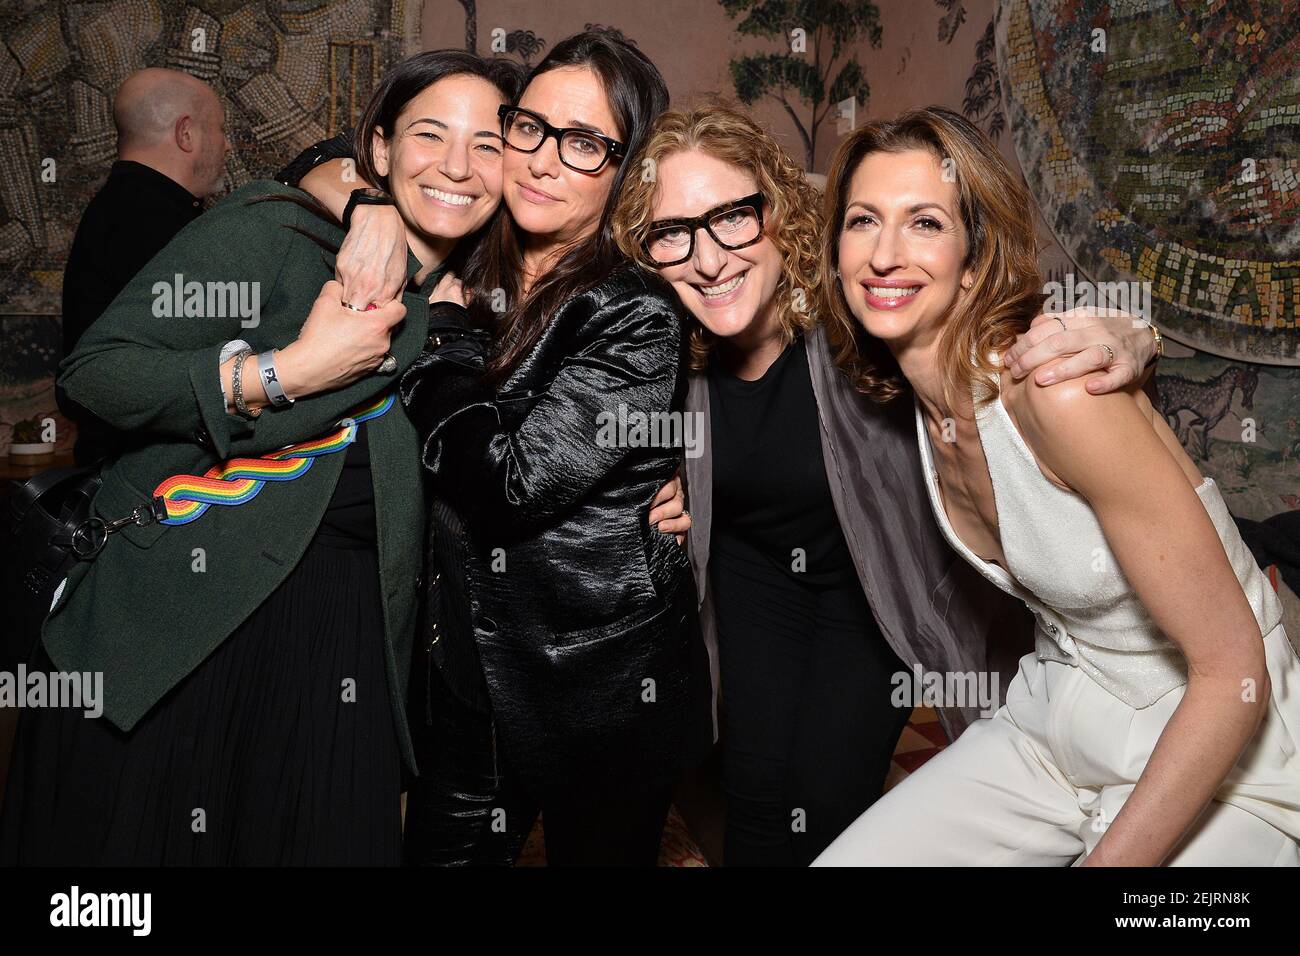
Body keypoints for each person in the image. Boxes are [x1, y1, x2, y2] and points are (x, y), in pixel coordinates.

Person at [0, 50, 522, 866]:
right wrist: (284, 373)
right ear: (379, 150)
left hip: (342, 666)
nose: (458, 164)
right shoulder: (277, 232)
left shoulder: (477, 315)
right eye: (430, 134)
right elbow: (96, 374)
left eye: (488, 143)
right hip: (188, 639)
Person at [611, 104, 1163, 865]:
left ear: (780, 216)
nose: (707, 258)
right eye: (673, 232)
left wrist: (1129, 331)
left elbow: (1004, 305)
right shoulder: (663, 338)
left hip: (872, 585)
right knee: (755, 792)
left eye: (732, 217)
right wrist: (652, 485)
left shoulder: (861, 302)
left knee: (828, 798)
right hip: (752, 572)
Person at [813, 107, 1300, 866]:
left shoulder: (1060, 391)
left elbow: (1234, 667)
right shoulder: (916, 396)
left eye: (926, 223)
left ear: (974, 259)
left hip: (1227, 746)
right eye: (862, 220)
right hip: (1052, 727)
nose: (884, 253)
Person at [396, 32, 714, 866]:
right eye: (529, 128)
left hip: (600, 685)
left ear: (624, 168)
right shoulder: (468, 252)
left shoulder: (634, 310)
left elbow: (512, 481)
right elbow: (362, 162)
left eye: (583, 143)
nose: (540, 160)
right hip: (467, 671)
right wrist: (359, 205)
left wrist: (443, 348)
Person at [60, 68, 232, 464]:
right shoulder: (155, 224)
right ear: (185, 133)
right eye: (220, 129)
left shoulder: (121, 210)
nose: (226, 146)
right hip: (147, 480)